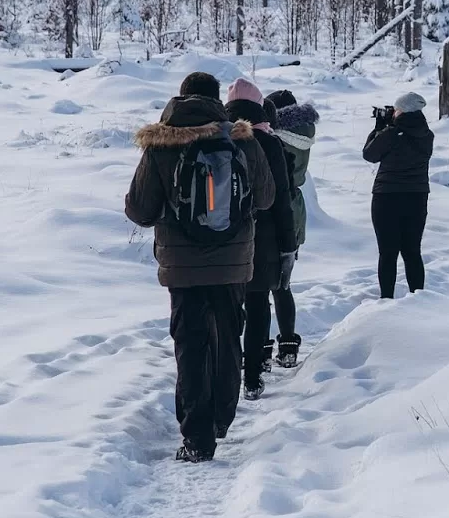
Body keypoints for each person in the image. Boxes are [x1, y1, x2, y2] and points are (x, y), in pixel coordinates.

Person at [125, 71, 274, 463]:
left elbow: (140, 211)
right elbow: (266, 198)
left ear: (180, 96)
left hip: (182, 267)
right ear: (217, 101)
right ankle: (223, 418)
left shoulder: (160, 142)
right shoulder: (240, 138)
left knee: (190, 347)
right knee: (227, 337)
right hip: (233, 263)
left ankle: (196, 438)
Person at [223, 79, 298, 402]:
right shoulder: (268, 142)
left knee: (227, 310)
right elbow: (281, 198)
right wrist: (288, 245)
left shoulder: (217, 137)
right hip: (263, 239)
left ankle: (227, 372)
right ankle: (252, 377)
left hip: (223, 238)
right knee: (257, 307)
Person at [265, 90, 318, 368]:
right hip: (295, 210)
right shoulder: (303, 133)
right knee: (283, 284)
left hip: (274, 210)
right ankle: (288, 345)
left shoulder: (275, 138)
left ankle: (261, 347)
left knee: (261, 285)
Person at [363, 92, 436, 298]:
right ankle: (418, 297)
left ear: (402, 110)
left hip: (387, 197)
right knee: (412, 251)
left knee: (388, 253)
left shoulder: (392, 133)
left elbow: (369, 154)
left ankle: (386, 299)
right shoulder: (427, 134)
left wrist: (379, 127)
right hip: (417, 196)